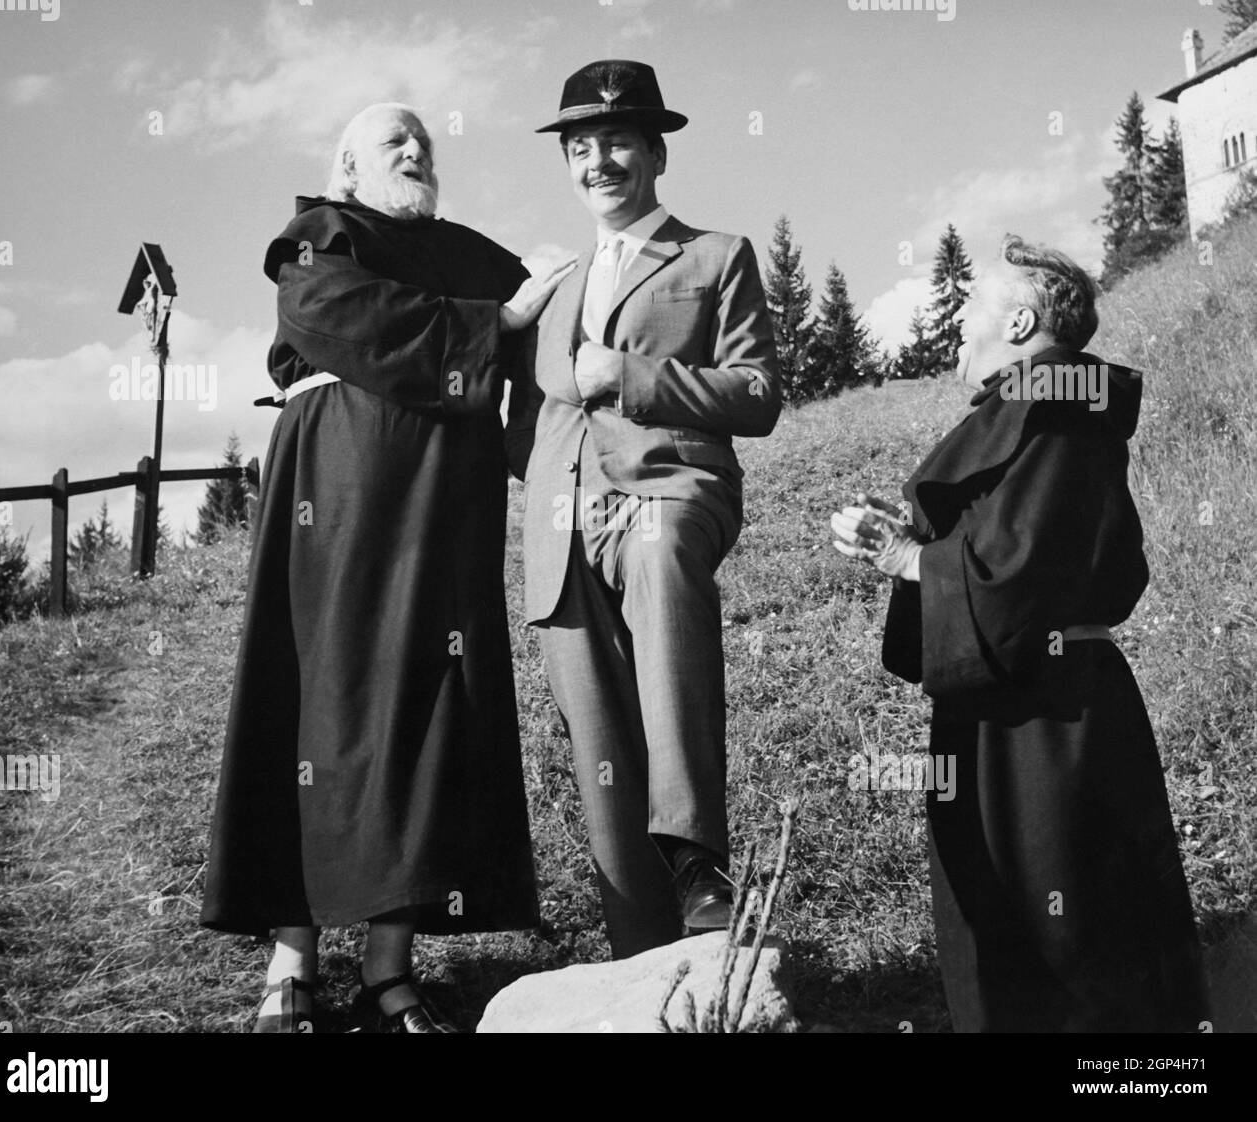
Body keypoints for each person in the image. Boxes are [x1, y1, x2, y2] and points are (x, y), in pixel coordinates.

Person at [200, 102, 572, 1032]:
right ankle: (292, 961)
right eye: (393, 141)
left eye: (425, 142)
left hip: (446, 512)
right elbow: (334, 314)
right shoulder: (325, 234)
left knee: (426, 709)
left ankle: (388, 968)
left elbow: (548, 331)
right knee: (317, 698)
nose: (415, 150)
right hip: (337, 497)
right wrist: (496, 321)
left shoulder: (470, 254)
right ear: (348, 167)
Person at [830, 234, 1209, 1031]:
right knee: (1021, 934)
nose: (956, 324)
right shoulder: (1039, 410)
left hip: (1047, 716)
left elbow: (1030, 572)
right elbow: (1007, 551)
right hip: (1013, 709)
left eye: (972, 305)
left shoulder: (1060, 405)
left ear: (1020, 322)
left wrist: (910, 558)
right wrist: (919, 546)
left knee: (1072, 946)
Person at [507, 60, 781, 959]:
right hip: (560, 523)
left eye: (617, 141)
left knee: (663, 572)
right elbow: (521, 416)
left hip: (668, 492)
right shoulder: (551, 284)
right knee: (597, 736)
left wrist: (624, 375)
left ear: (657, 153)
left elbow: (757, 393)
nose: (598, 162)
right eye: (580, 147)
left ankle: (698, 862)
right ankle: (641, 948)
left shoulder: (717, 255)